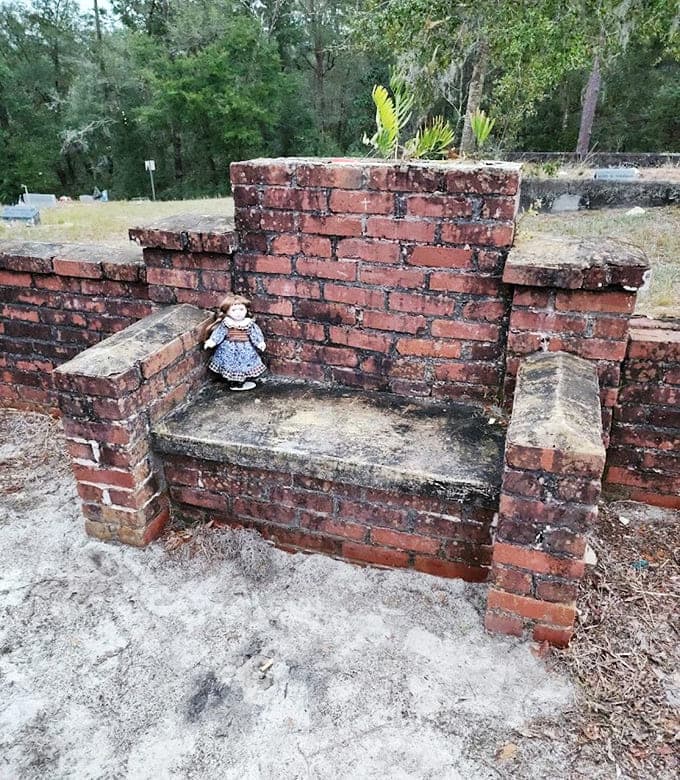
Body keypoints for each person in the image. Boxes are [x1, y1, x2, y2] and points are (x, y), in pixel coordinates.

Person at [203, 294, 267, 391]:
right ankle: (233, 382)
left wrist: (260, 343)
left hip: (246, 349)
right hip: (228, 348)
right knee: (230, 364)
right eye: (233, 310)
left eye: (241, 309)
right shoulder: (226, 323)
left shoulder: (249, 324)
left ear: (246, 310)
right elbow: (219, 333)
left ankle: (240, 382)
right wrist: (212, 341)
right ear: (227, 311)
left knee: (244, 365)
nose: (238, 313)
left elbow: (255, 334)